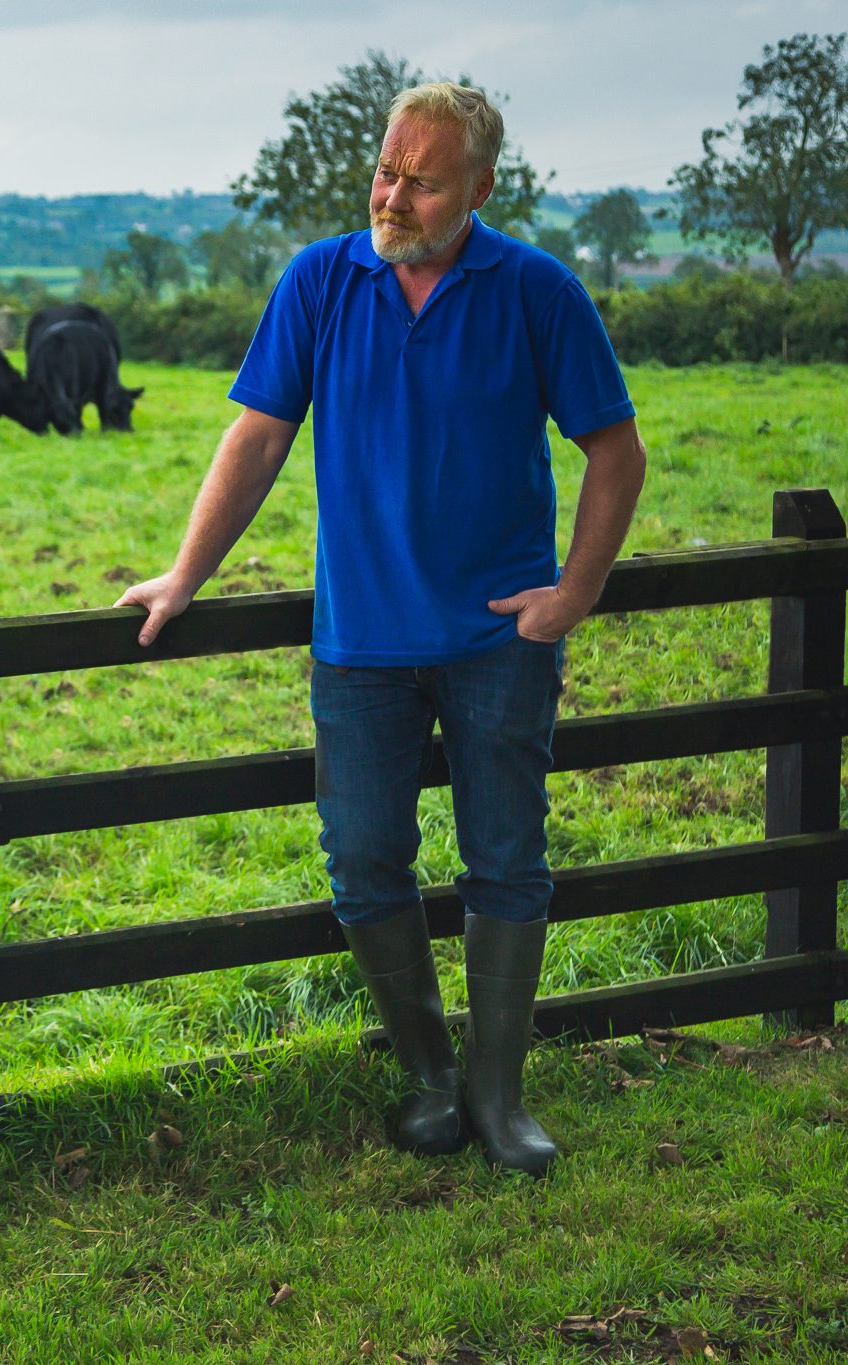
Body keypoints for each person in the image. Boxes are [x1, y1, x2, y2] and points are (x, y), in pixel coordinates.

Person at [119, 83, 645, 1178]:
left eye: (422, 179)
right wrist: (182, 573)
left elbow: (614, 451)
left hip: (499, 641)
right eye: (385, 171)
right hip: (357, 642)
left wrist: (574, 593)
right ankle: (428, 1081)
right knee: (363, 862)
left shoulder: (535, 289)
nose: (393, 195)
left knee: (505, 861)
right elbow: (256, 439)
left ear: (479, 189)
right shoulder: (319, 281)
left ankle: (501, 1101)